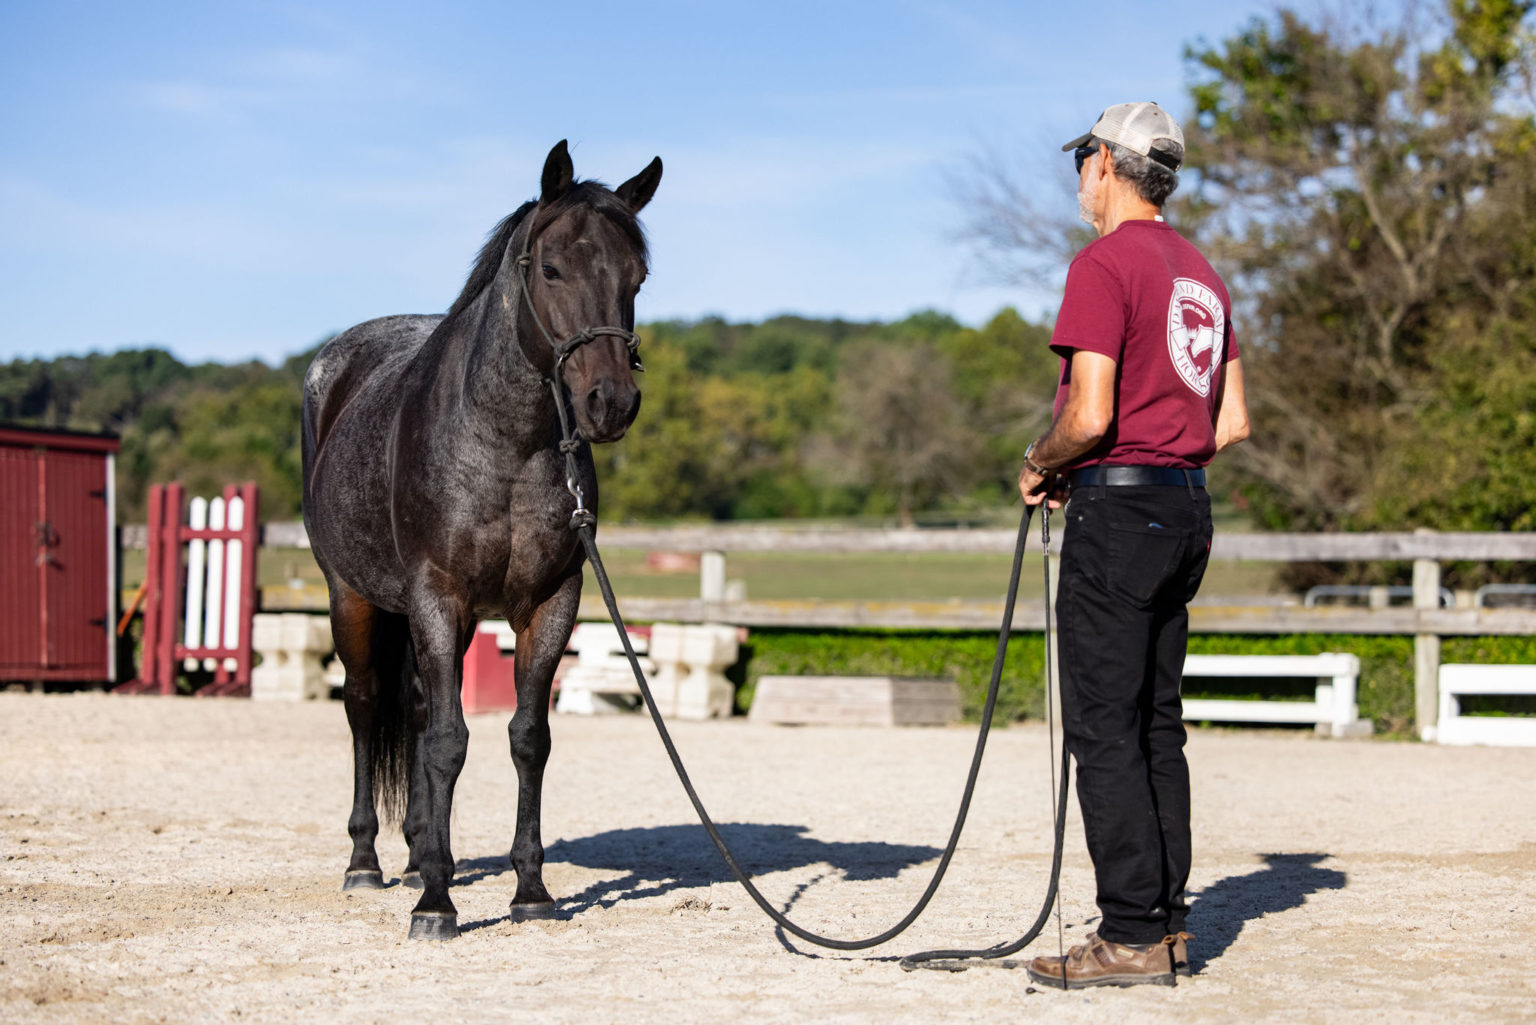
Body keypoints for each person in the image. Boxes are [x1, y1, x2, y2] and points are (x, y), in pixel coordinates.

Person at [1017, 101, 1250, 989]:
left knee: (1104, 723)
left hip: (1117, 518)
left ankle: (1129, 933)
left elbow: (1089, 415)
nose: (1079, 175)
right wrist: (1162, 457)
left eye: (1082, 158)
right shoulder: (1204, 275)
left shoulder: (1104, 264)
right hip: (1187, 506)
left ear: (1107, 164)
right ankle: (1169, 921)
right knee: (1157, 720)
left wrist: (1044, 463)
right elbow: (1232, 420)